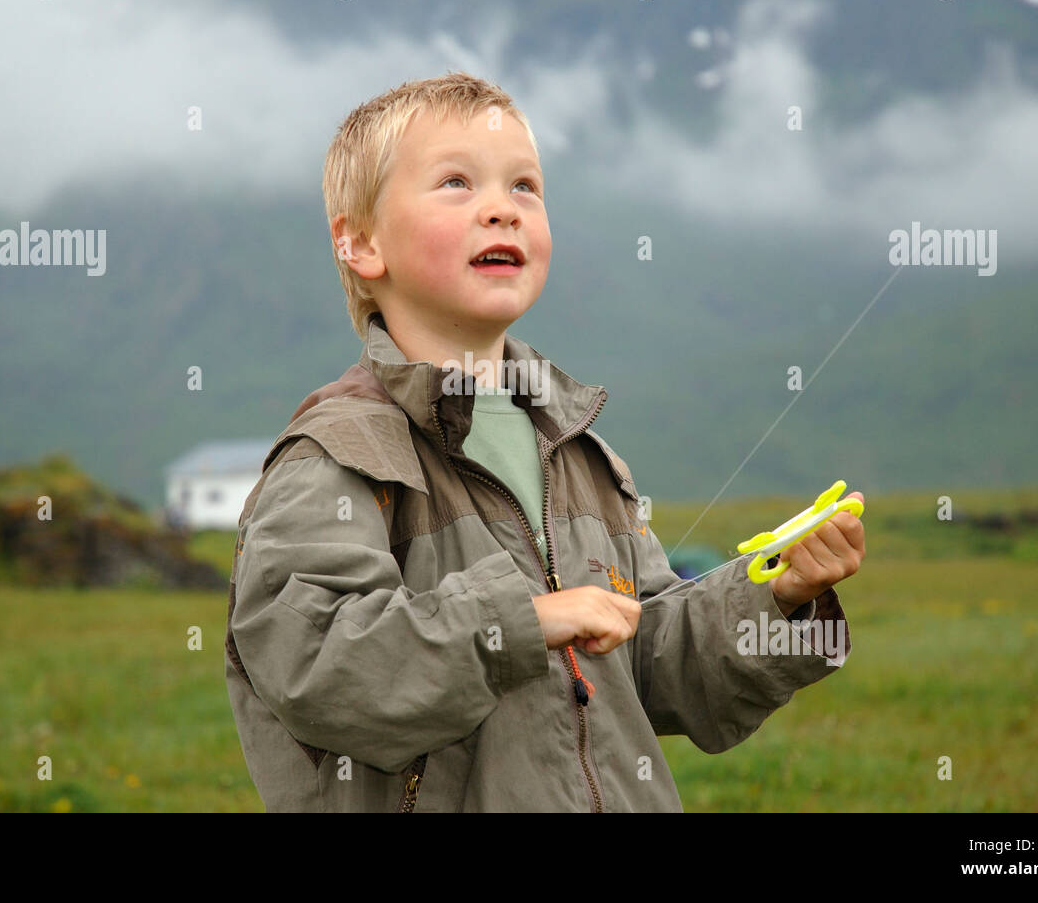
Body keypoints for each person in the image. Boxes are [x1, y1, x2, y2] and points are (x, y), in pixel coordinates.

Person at [224, 71, 866, 812]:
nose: (502, 209)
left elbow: (652, 663)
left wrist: (781, 596)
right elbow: (320, 665)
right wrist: (524, 621)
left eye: (525, 187)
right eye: (457, 183)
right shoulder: (337, 455)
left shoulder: (580, 450)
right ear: (360, 243)